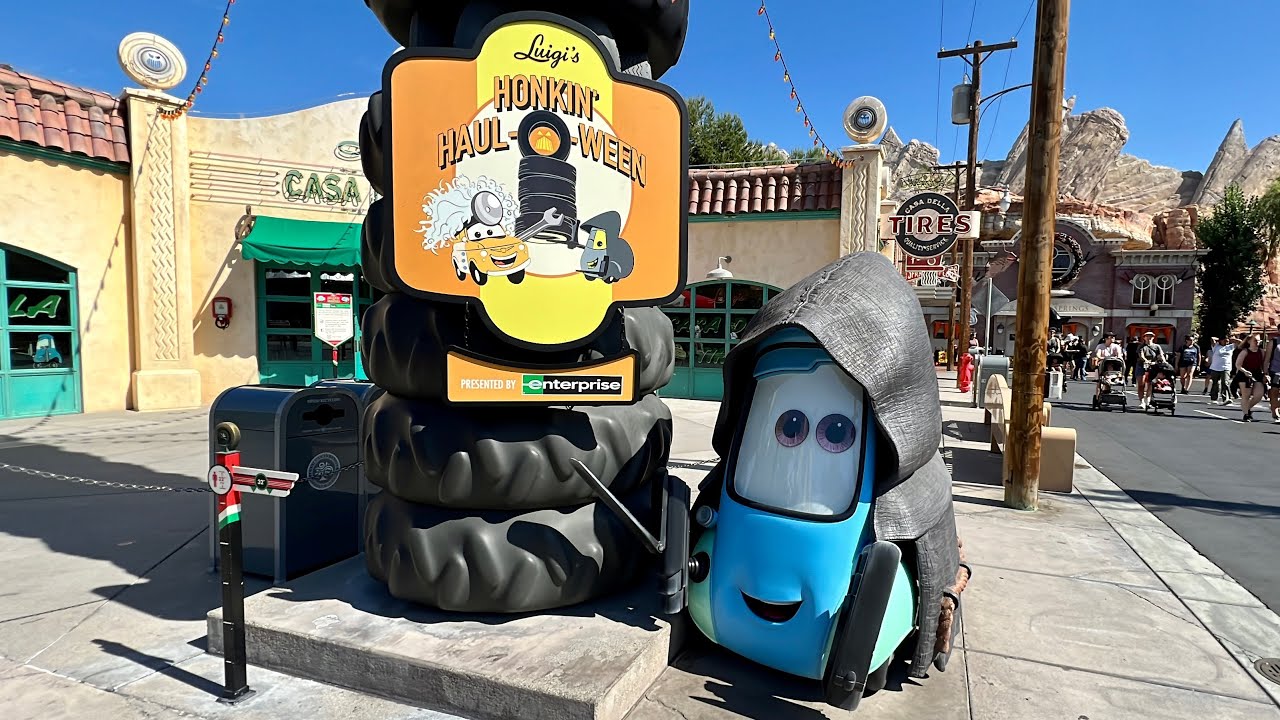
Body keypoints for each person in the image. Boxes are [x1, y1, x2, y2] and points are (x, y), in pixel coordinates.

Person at [1234, 334, 1267, 422]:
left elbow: (1264, 364)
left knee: (1258, 395)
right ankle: (1246, 414)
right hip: (1244, 374)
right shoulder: (1245, 351)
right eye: (1255, 340)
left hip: (1257, 374)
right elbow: (1238, 365)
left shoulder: (1261, 351)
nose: (1257, 342)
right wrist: (1245, 371)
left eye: (1258, 341)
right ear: (1249, 341)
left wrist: (1265, 374)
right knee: (1246, 395)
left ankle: (1247, 408)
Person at [1136, 331, 1167, 410]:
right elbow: (1141, 355)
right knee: (1141, 384)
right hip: (1142, 365)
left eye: (1151, 336)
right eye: (1147, 336)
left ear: (1153, 338)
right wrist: (1146, 361)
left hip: (1153, 366)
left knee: (1150, 383)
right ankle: (1141, 401)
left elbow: (1161, 355)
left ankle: (1148, 401)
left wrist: (1163, 361)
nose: (1149, 338)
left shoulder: (1157, 346)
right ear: (1144, 337)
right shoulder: (1141, 346)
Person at [1207, 336, 1234, 404]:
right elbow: (1212, 338)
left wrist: (1233, 339)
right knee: (1215, 383)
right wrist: (1219, 339)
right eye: (1225, 340)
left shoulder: (1230, 347)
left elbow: (1240, 342)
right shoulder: (1216, 346)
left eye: (1227, 341)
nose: (1226, 342)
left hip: (1226, 367)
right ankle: (1214, 398)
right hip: (1215, 367)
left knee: (1225, 382)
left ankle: (1226, 398)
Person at [1265, 332, 1280, 423]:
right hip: (1275, 370)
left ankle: (1274, 406)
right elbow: (1267, 358)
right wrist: (1265, 372)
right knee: (1275, 391)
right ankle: (1275, 411)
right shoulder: (1274, 342)